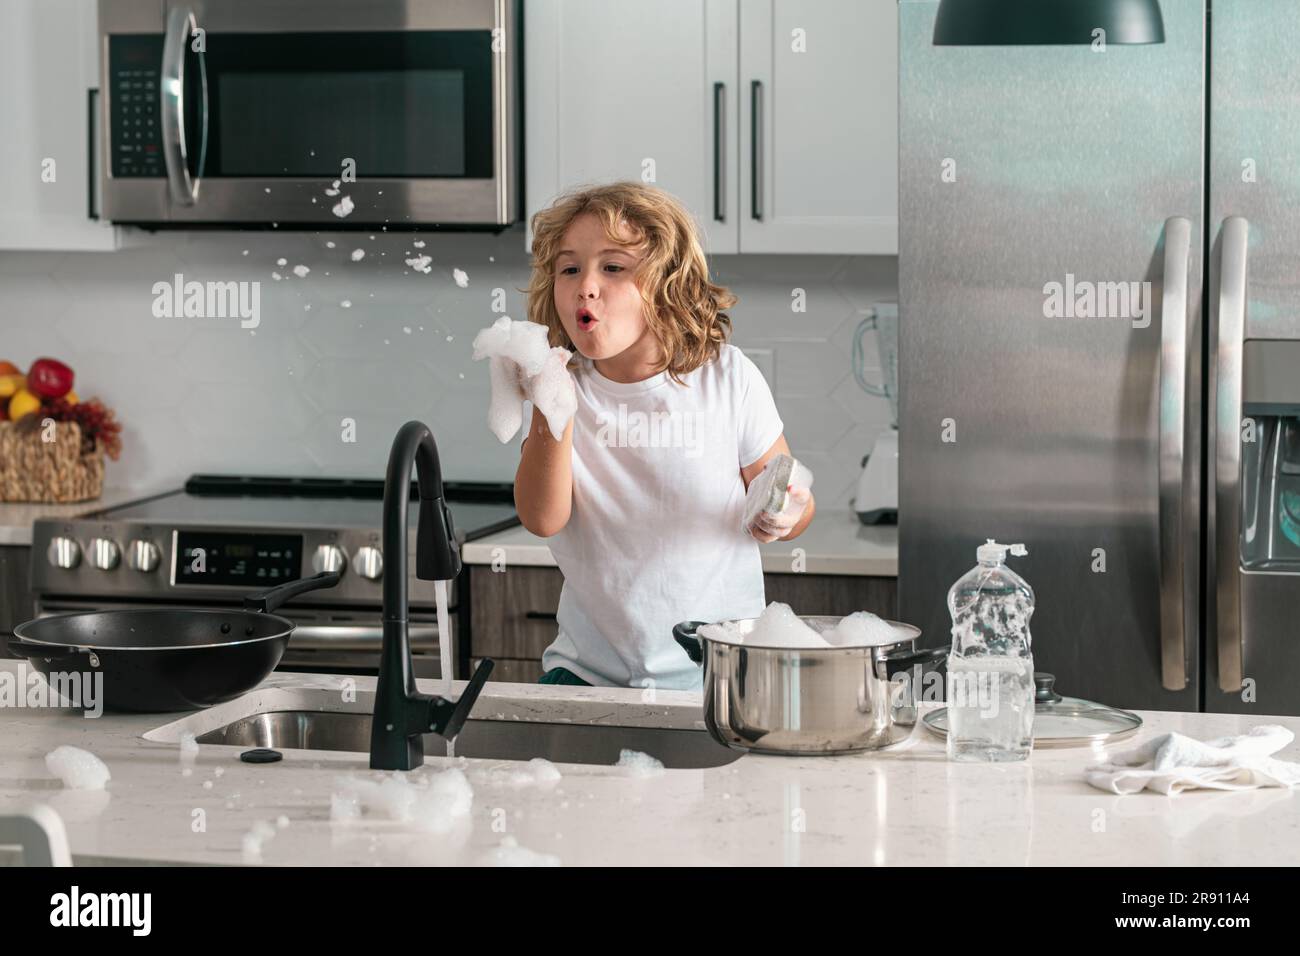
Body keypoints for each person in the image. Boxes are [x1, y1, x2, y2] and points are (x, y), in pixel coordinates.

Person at [512, 181, 815, 689]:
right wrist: (550, 403)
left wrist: (784, 512)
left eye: (613, 268)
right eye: (569, 268)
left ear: (667, 284)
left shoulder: (727, 378)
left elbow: (791, 500)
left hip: (719, 676)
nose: (586, 285)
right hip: (586, 674)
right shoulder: (560, 388)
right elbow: (543, 518)